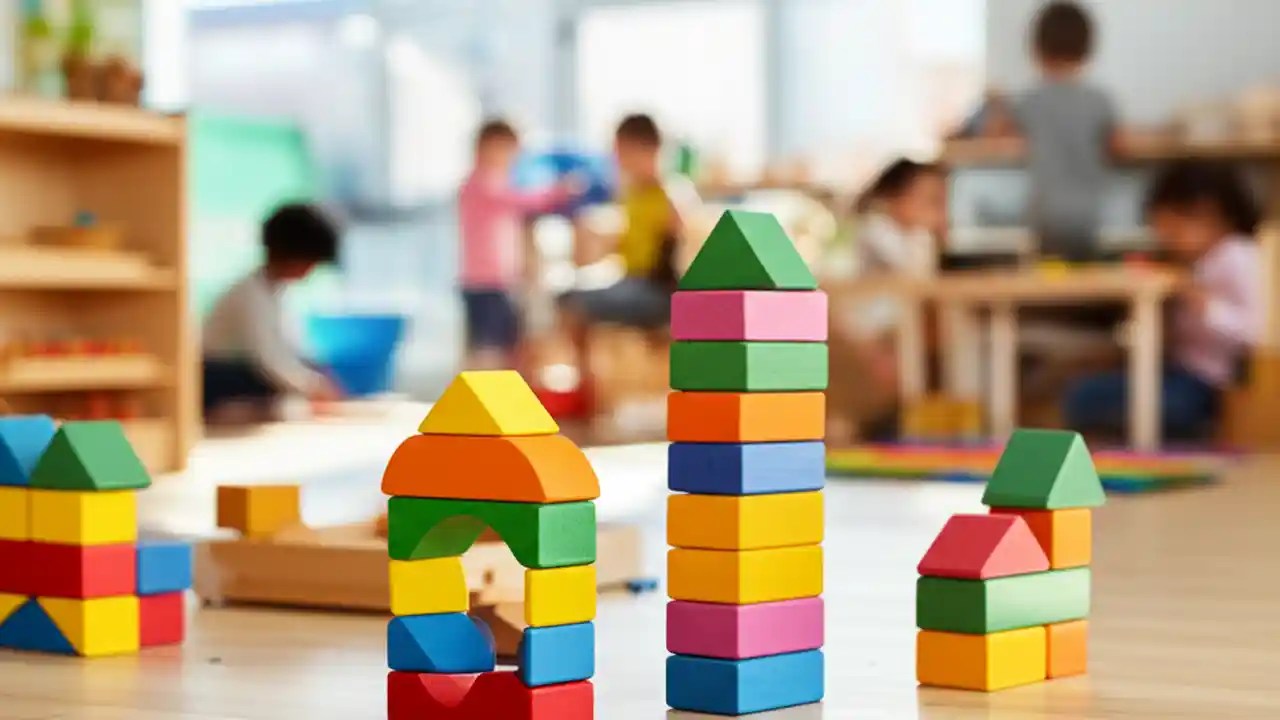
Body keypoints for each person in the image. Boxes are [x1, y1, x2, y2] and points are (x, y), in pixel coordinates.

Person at [1064, 161, 1264, 438]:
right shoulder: (1197, 263)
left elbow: (1258, 330)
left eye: (1174, 230)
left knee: (1095, 400)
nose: (1167, 240)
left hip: (1212, 385)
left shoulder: (1237, 256)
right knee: (1083, 393)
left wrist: (1202, 304)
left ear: (1208, 214)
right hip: (1177, 373)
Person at [559, 114, 680, 401]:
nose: (618, 161)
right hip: (632, 282)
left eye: (622, 153)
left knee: (571, 304)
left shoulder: (671, 195)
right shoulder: (630, 194)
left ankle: (587, 396)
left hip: (660, 291)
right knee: (566, 298)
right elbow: (625, 244)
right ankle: (588, 390)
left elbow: (684, 256)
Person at [998, 1, 1120, 261]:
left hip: (1045, 213)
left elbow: (999, 133)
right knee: (1085, 278)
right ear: (1088, 50)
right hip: (1089, 213)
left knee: (1048, 277)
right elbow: (1119, 145)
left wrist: (996, 103)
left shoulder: (1029, 100)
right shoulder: (1099, 100)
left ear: (1036, 50)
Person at [202, 203, 344, 421]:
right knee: (278, 389)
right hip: (220, 379)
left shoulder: (277, 291)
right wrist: (313, 385)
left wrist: (318, 375)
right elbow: (267, 359)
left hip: (252, 373)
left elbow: (292, 347)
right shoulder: (248, 293)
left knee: (306, 373)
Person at [839, 160, 946, 439]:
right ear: (895, 197)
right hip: (872, 329)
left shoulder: (918, 238)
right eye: (926, 200)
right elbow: (912, 273)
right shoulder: (875, 230)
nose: (933, 210)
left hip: (898, 326)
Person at [458, 119, 574, 371]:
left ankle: (497, 397)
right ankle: (484, 398)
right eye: (506, 150)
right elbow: (522, 201)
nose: (510, 158)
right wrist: (559, 192)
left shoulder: (493, 183)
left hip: (500, 281)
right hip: (485, 282)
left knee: (506, 345)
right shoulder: (481, 184)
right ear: (485, 147)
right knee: (489, 348)